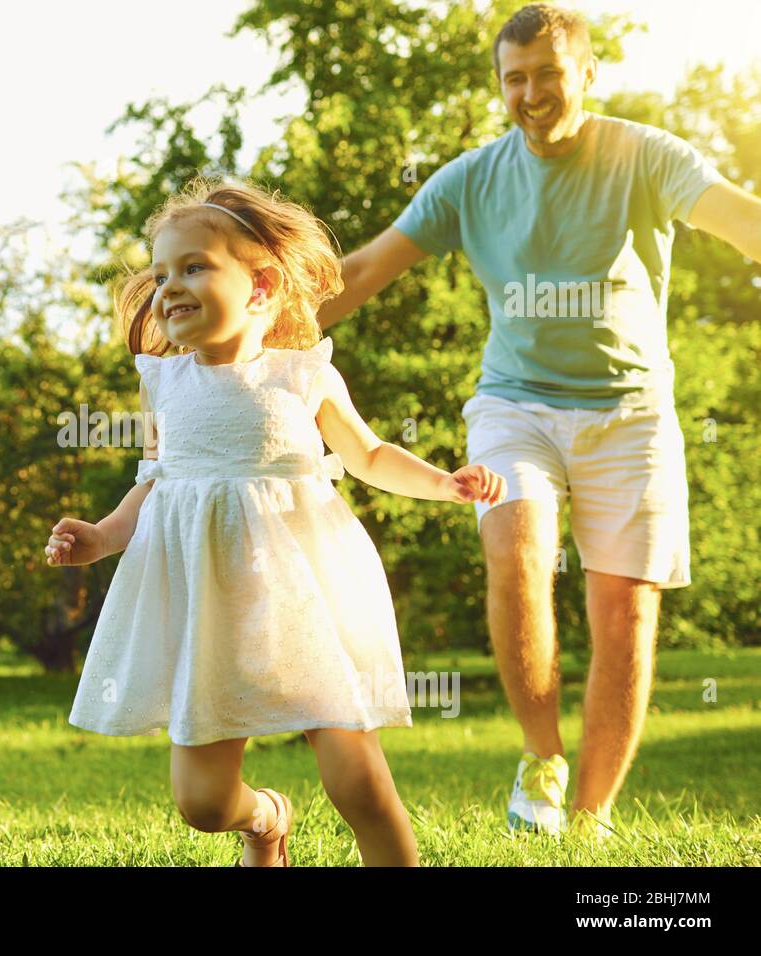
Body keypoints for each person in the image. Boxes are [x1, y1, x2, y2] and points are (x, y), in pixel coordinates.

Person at [316, 3, 761, 841]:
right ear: (500, 85)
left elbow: (737, 217)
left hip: (631, 415)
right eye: (514, 79)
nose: (531, 93)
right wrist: (253, 323)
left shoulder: (645, 155)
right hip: (515, 403)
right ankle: (540, 756)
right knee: (516, 547)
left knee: (625, 614)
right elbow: (367, 267)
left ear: (586, 73)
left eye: (548, 74)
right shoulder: (472, 179)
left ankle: (588, 820)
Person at [46, 177, 504, 866]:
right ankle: (266, 820)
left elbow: (371, 454)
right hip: (209, 612)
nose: (168, 286)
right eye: (162, 271)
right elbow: (156, 483)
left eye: (194, 266)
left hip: (308, 601)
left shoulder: (302, 376)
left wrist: (444, 483)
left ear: (260, 287)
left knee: (358, 784)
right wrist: (102, 537)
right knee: (202, 804)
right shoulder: (164, 384)